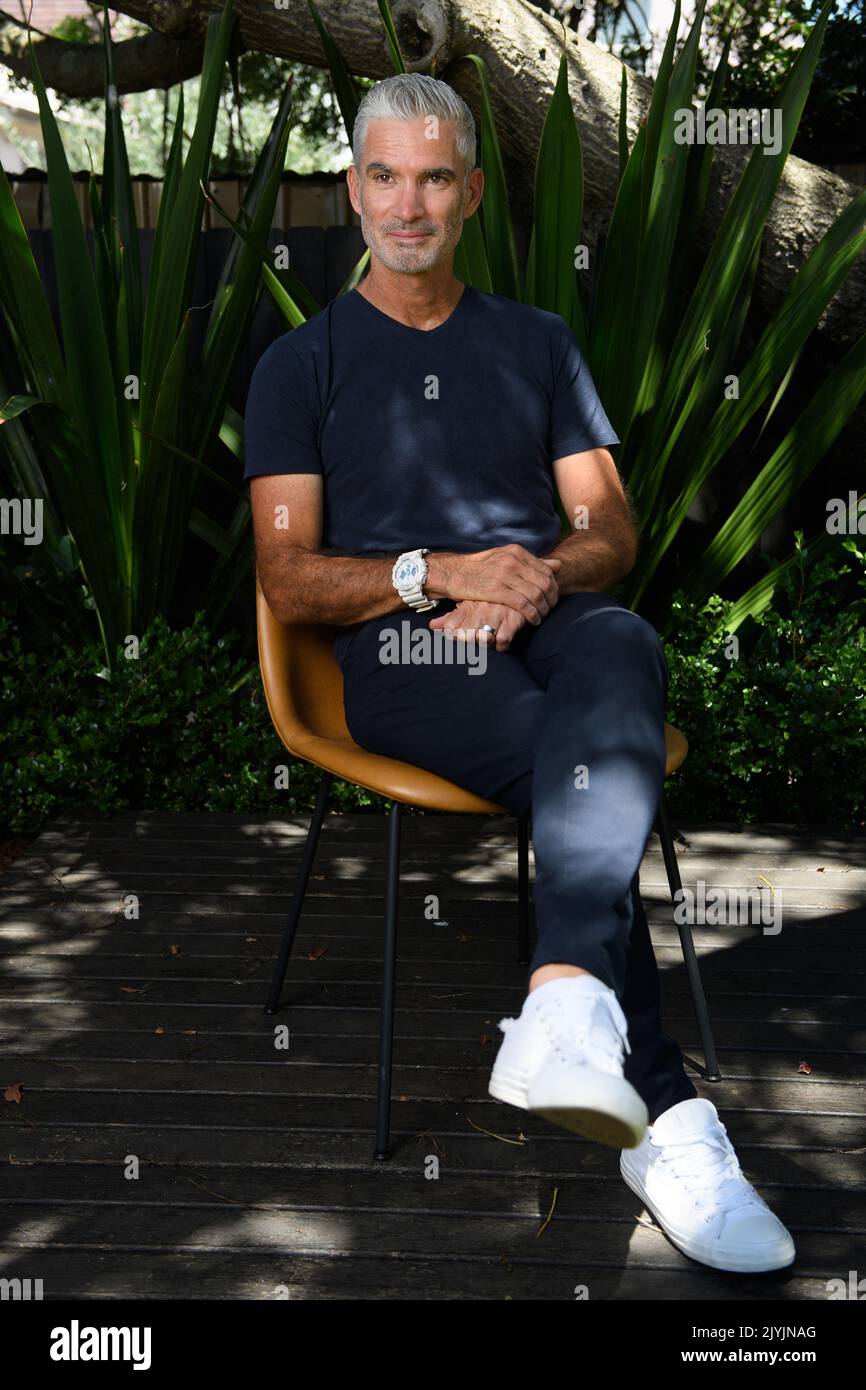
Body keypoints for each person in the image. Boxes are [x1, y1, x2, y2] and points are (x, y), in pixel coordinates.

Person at [244, 72, 794, 1276]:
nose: (407, 202)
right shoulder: (302, 362)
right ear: (353, 187)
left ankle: (560, 1003)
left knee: (620, 638)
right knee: (584, 751)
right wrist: (440, 575)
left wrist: (540, 578)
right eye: (383, 175)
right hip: (403, 643)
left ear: (471, 194)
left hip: (543, 619)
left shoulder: (536, 340)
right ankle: (671, 1116)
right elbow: (287, 581)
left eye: (433, 176)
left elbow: (607, 529)